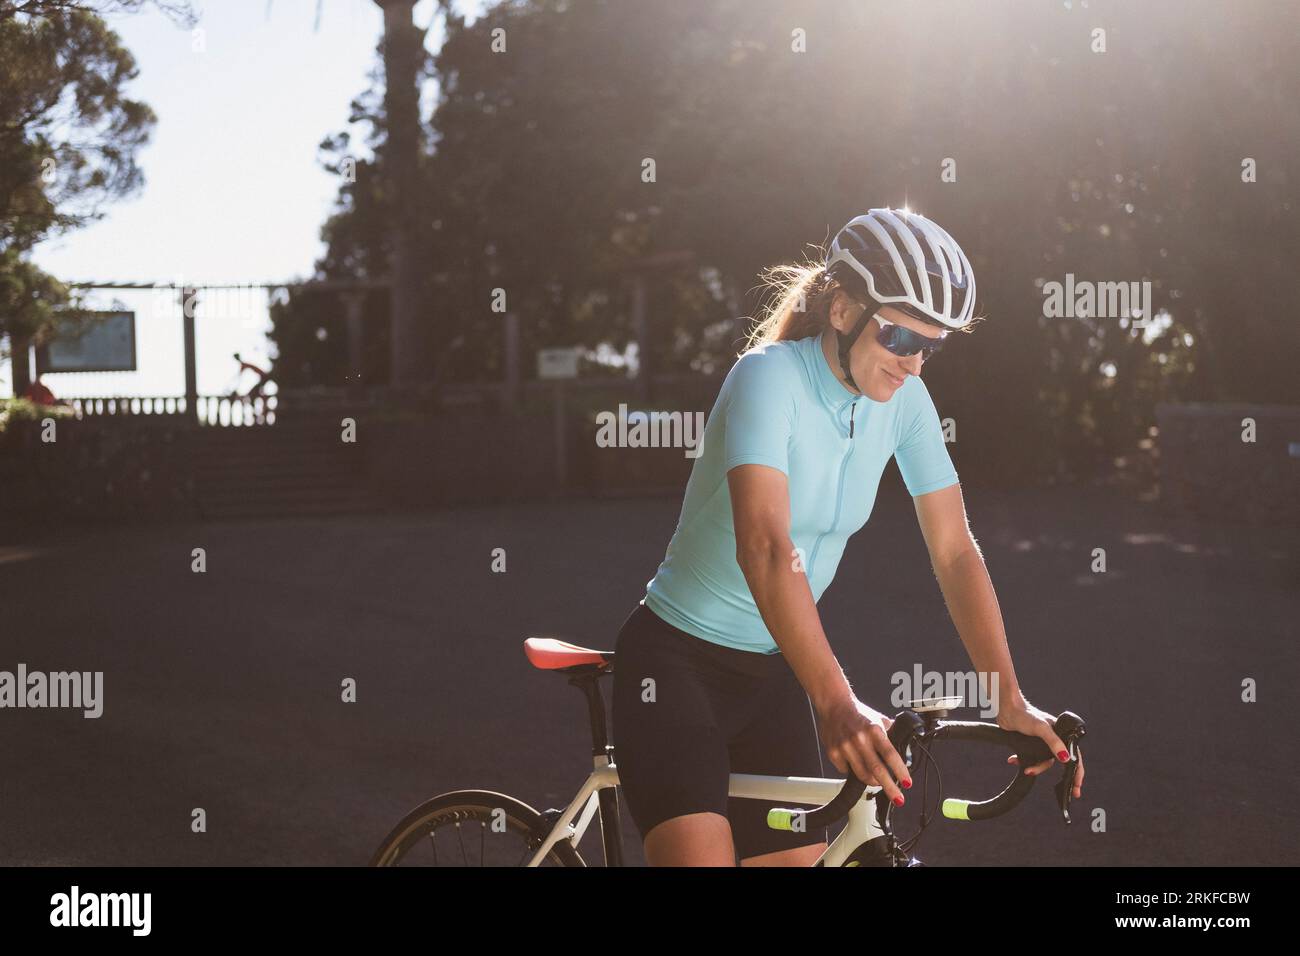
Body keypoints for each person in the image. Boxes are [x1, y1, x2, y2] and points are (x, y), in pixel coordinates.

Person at [611, 207, 1085, 867]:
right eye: (898, 336)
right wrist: (836, 702)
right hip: (673, 666)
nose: (914, 363)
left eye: (931, 345)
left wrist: (1007, 697)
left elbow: (954, 552)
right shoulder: (766, 378)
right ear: (842, 310)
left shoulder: (907, 404)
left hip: (772, 673)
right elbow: (766, 548)